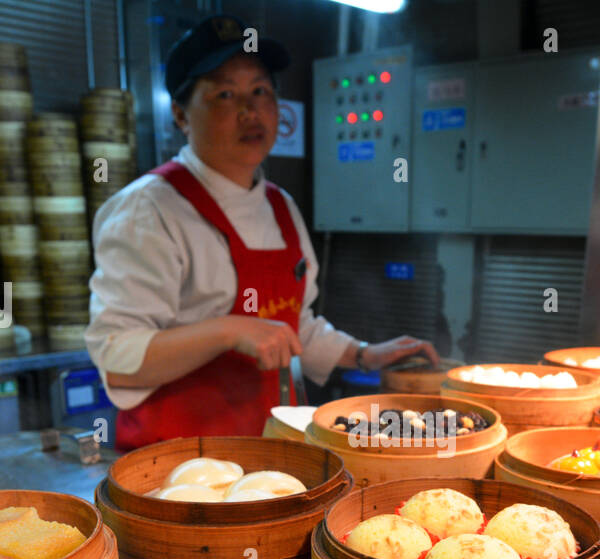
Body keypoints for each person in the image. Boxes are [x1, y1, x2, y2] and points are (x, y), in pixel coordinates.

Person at [85, 14, 439, 449]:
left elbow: (294, 327)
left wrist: (363, 353)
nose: (249, 111)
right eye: (225, 94)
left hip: (266, 458)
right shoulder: (149, 209)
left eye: (260, 91)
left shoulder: (280, 205)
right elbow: (118, 357)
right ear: (180, 114)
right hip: (175, 470)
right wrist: (230, 330)